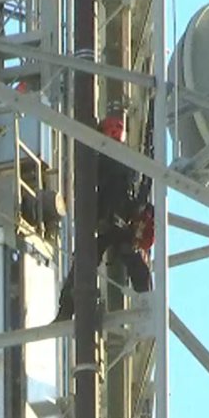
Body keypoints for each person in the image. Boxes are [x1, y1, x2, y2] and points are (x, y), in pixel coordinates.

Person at [54, 112, 154, 321]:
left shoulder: (128, 161)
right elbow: (89, 189)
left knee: (136, 267)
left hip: (123, 222)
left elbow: (138, 191)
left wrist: (143, 212)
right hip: (103, 220)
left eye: (119, 127)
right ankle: (66, 310)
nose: (116, 131)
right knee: (84, 264)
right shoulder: (99, 158)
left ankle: (149, 305)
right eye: (112, 128)